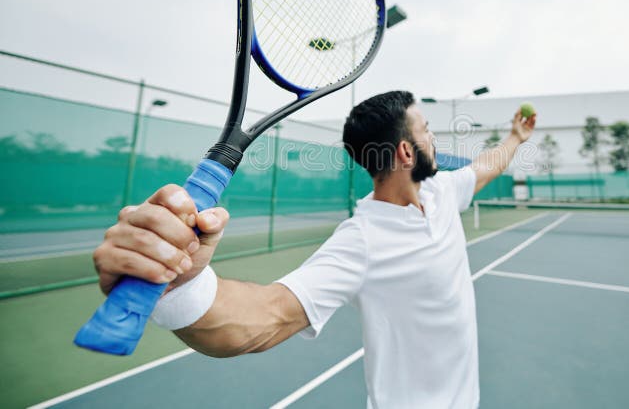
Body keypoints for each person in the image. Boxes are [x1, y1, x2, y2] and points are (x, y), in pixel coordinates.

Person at [93, 90, 536, 408]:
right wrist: (181, 284)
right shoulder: (363, 239)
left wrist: (515, 137)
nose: (435, 139)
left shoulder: (441, 190)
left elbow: (484, 167)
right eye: (427, 130)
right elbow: (263, 320)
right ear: (405, 151)